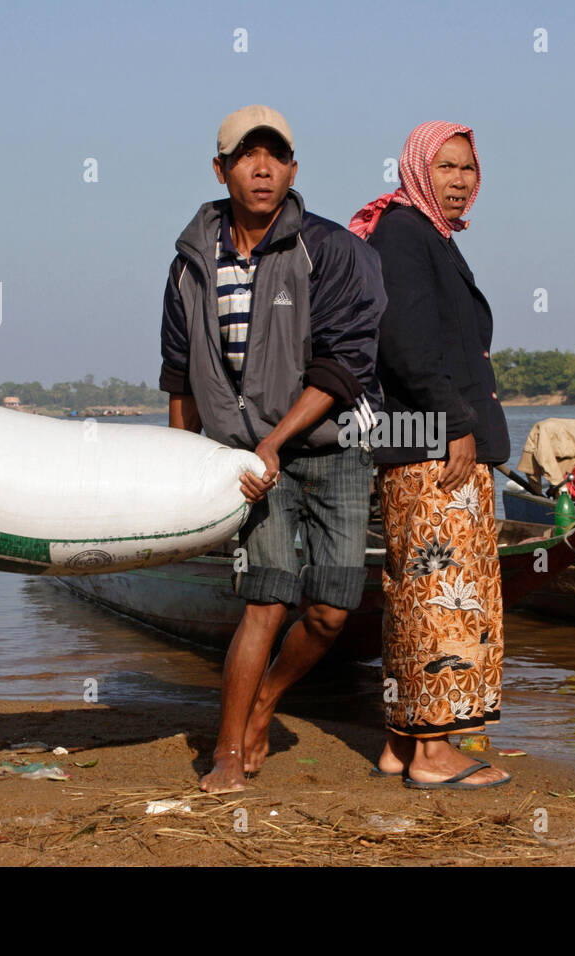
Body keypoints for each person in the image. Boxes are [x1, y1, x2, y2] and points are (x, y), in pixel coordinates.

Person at [160, 106, 385, 793]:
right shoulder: (191, 264)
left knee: (331, 609)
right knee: (265, 600)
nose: (261, 169)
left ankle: (266, 699)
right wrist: (183, 470)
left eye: (275, 156)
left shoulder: (332, 250)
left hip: (329, 447)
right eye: (245, 157)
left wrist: (276, 443)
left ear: (292, 168)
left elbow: (345, 367)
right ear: (220, 170)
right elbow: (179, 374)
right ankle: (227, 752)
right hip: (244, 461)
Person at [350, 121, 512, 789]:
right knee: (441, 603)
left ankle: (400, 743)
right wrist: (454, 423)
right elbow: (407, 343)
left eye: (468, 168)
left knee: (419, 596)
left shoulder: (428, 238)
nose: (459, 180)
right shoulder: (404, 235)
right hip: (432, 450)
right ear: (417, 168)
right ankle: (434, 754)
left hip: (429, 446)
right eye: (446, 166)